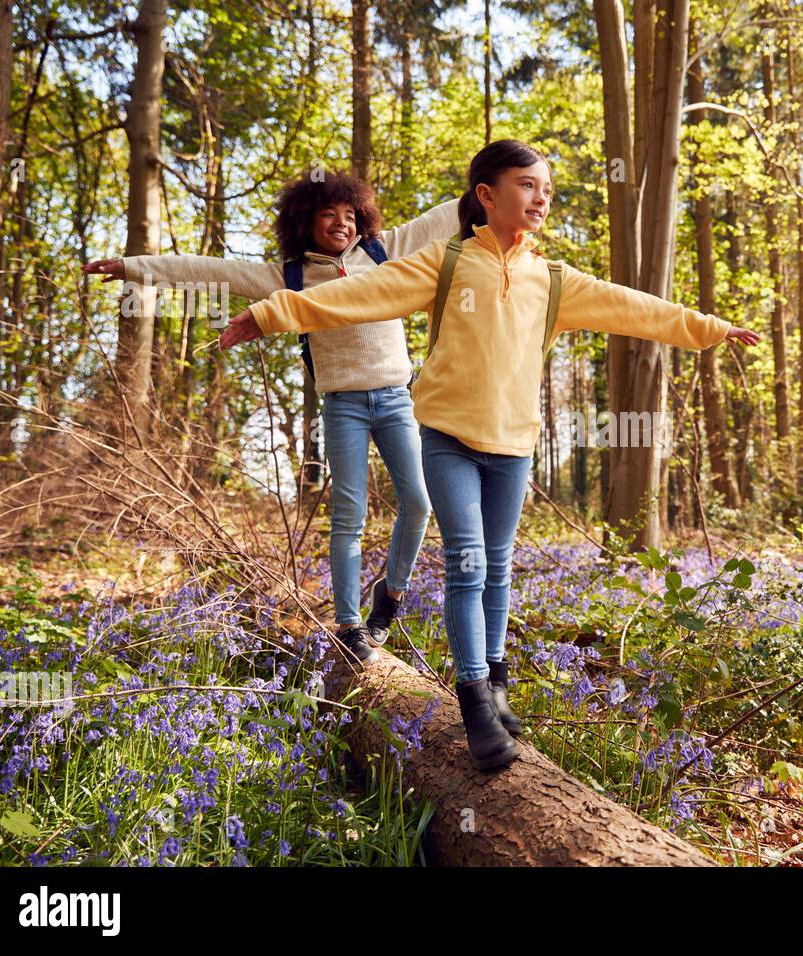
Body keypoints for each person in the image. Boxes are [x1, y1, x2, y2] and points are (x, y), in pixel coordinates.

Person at [219, 139, 761, 770]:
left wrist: (709, 328)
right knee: (467, 566)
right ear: (486, 195)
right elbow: (357, 295)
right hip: (447, 438)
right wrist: (271, 314)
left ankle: (497, 688)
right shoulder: (443, 264)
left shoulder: (553, 280)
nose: (541, 198)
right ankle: (473, 697)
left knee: (498, 570)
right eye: (527, 186)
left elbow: (631, 306)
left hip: (514, 446)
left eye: (547, 190)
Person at [85, 171, 458, 663]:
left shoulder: (383, 252)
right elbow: (209, 270)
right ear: (306, 222)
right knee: (349, 515)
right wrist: (134, 267)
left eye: (350, 215)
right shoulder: (290, 278)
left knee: (418, 502)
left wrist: (498, 186)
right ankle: (349, 626)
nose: (341, 224)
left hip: (395, 398)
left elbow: (446, 215)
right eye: (329, 215)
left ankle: (389, 596)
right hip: (343, 405)